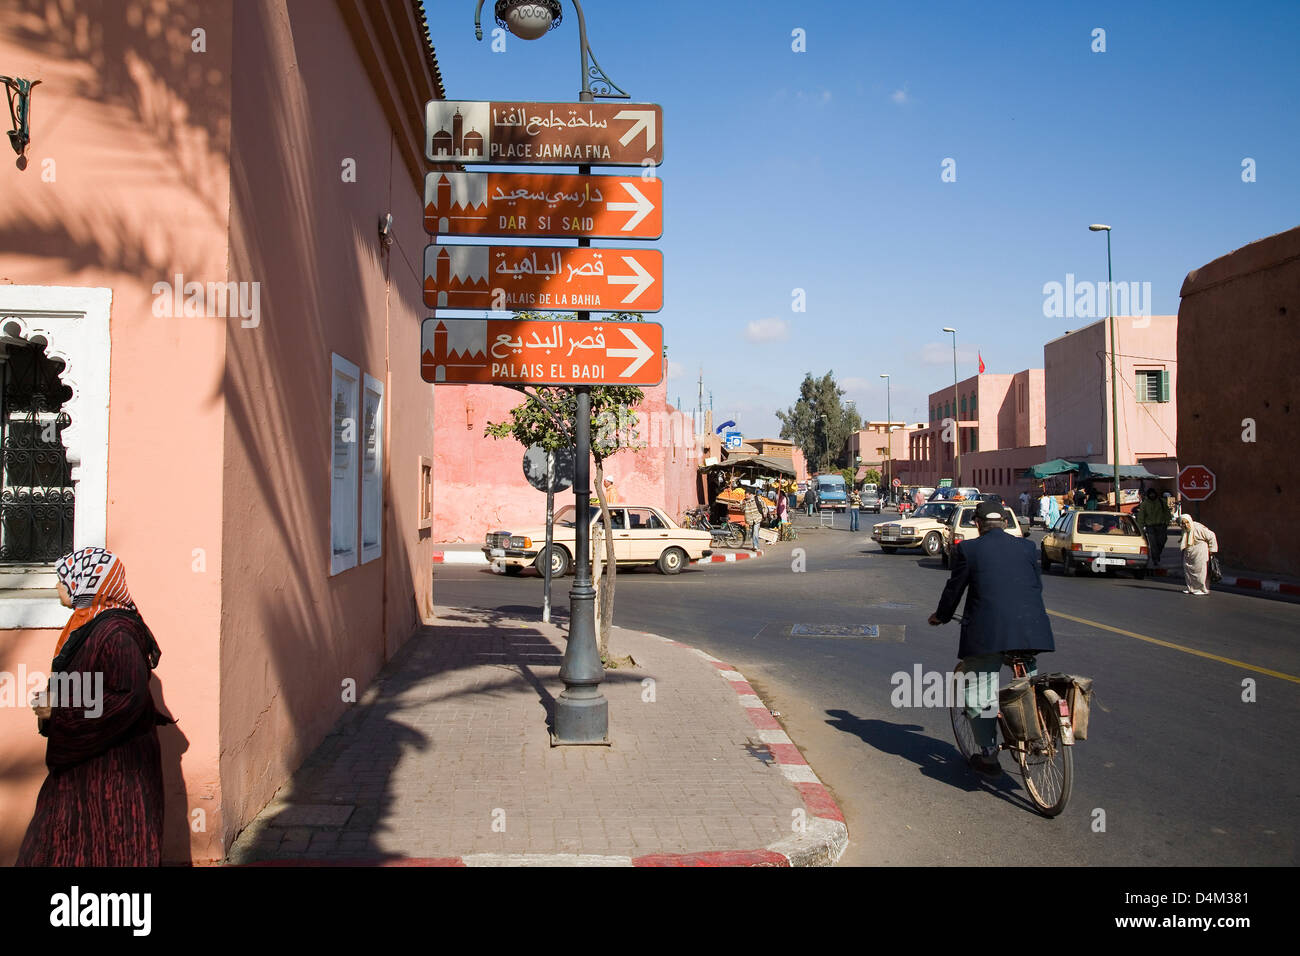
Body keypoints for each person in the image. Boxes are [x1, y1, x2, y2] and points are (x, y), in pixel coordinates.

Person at [17, 548, 172, 866]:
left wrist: (60, 711)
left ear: (85, 584)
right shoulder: (88, 626)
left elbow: (128, 697)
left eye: (64, 579)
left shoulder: (115, 633)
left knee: (109, 850)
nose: (58, 586)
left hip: (113, 774)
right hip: (87, 768)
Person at [929, 501, 1055, 775]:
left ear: (977, 524)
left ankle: (988, 754)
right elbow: (1037, 586)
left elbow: (955, 589)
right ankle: (1038, 730)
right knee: (1027, 684)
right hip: (1030, 631)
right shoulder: (1026, 547)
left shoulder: (969, 549)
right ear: (1006, 524)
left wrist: (942, 615)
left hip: (988, 634)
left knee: (978, 694)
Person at [1179, 514, 1219, 595]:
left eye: (1187, 522)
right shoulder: (1184, 529)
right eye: (1183, 523)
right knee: (1188, 570)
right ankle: (1192, 588)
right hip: (1189, 552)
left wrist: (1212, 549)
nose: (1186, 525)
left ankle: (1202, 589)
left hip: (1200, 552)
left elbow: (1211, 536)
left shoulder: (1198, 528)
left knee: (1201, 571)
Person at [1134, 488, 1172, 566]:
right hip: (1150, 527)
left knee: (1162, 541)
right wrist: (1140, 528)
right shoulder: (1144, 504)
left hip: (1161, 525)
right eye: (1150, 494)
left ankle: (1157, 554)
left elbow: (1167, 513)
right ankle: (1155, 559)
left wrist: (1167, 522)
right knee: (1153, 543)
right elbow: (1141, 517)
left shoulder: (1161, 502)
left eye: (1153, 494)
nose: (1152, 495)